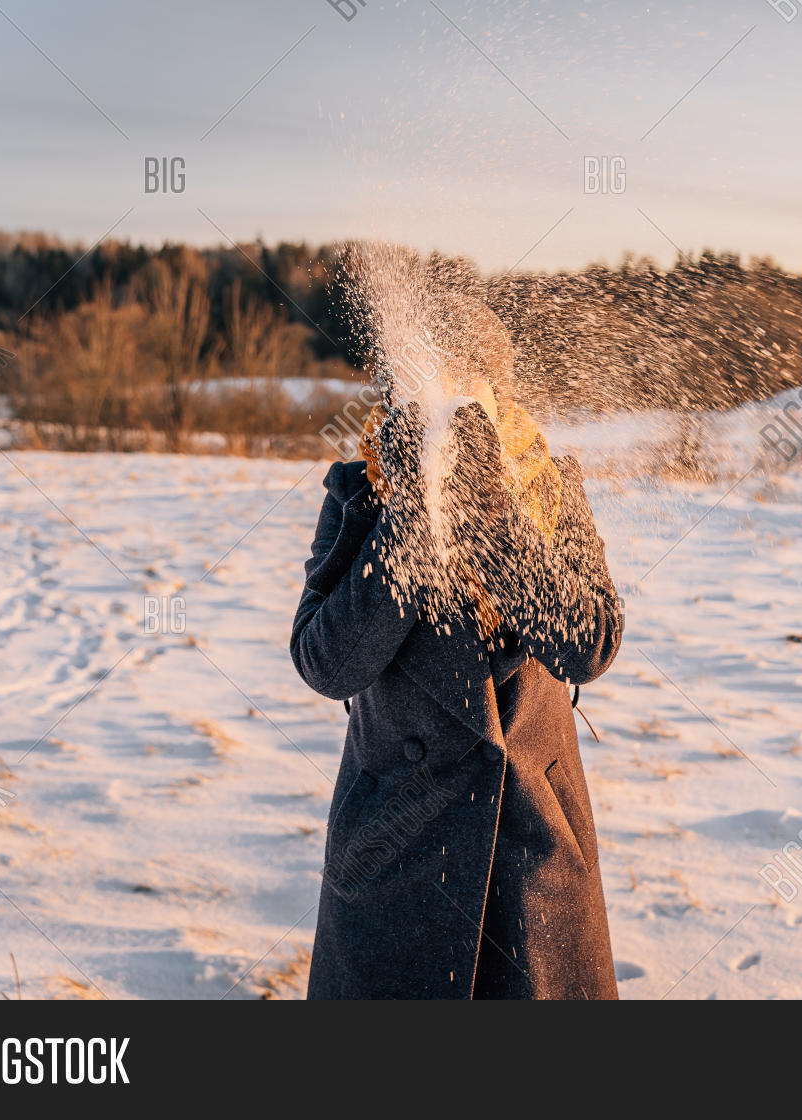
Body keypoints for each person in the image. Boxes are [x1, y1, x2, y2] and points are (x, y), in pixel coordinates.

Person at [290, 298, 624, 999]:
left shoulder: (548, 491)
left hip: (531, 842)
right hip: (393, 846)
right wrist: (414, 516)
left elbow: (587, 644)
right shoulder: (361, 496)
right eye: (425, 391)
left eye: (464, 391)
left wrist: (488, 515)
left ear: (498, 396)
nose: (447, 412)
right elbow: (328, 664)